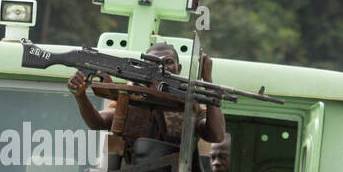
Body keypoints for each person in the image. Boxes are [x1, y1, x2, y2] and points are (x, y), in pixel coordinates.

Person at [67, 41, 226, 146]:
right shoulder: (130, 97)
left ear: (179, 69)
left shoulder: (190, 104)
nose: (161, 67)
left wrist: (208, 80)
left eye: (168, 62)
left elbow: (216, 135)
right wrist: (80, 96)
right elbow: (98, 122)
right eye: (153, 63)